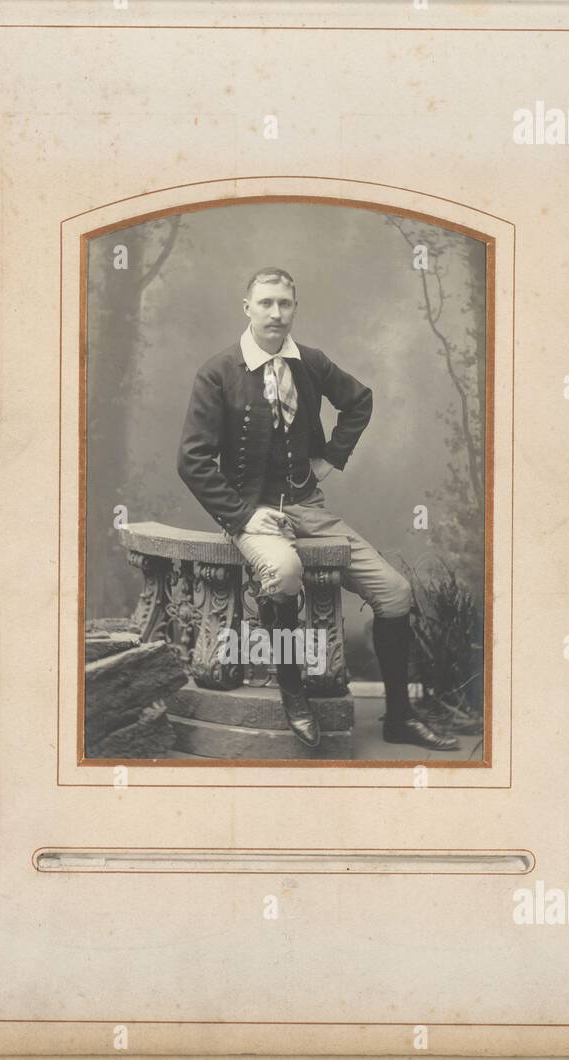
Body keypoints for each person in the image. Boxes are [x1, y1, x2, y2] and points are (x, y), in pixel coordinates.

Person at [176, 266, 458, 753]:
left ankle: (399, 717)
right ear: (247, 308)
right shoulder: (218, 372)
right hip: (252, 514)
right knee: (283, 571)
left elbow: (360, 402)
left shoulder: (309, 362)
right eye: (265, 303)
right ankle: (294, 693)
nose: (275, 313)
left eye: (284, 303)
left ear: (294, 309)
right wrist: (241, 516)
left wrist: (330, 457)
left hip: (309, 508)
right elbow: (193, 460)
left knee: (395, 592)